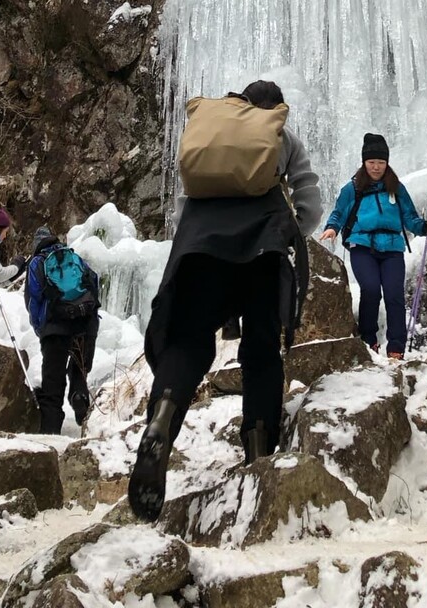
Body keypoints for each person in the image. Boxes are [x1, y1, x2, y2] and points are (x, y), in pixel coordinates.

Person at [128, 80, 321, 523]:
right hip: (261, 249)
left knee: (189, 341)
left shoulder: (211, 131)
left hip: (200, 247)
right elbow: (308, 203)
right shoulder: (282, 136)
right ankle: (257, 450)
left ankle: (163, 415)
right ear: (276, 109)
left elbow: (184, 202)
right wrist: (291, 235)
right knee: (260, 349)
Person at [320, 132, 427, 362]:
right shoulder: (353, 188)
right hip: (362, 245)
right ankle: (369, 339)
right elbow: (339, 212)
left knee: (394, 294)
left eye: (380, 162)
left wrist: (424, 227)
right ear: (364, 163)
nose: (376, 167)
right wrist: (332, 228)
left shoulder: (396, 188)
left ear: (387, 163)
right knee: (370, 288)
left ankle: (396, 347)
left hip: (392, 248)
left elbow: (410, 217)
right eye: (371, 162)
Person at [25, 226, 99, 433]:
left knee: (53, 382)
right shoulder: (73, 257)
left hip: (55, 329)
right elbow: (93, 282)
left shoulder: (37, 263)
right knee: (79, 369)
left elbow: (33, 300)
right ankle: (79, 396)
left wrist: (41, 330)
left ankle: (50, 432)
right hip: (85, 323)